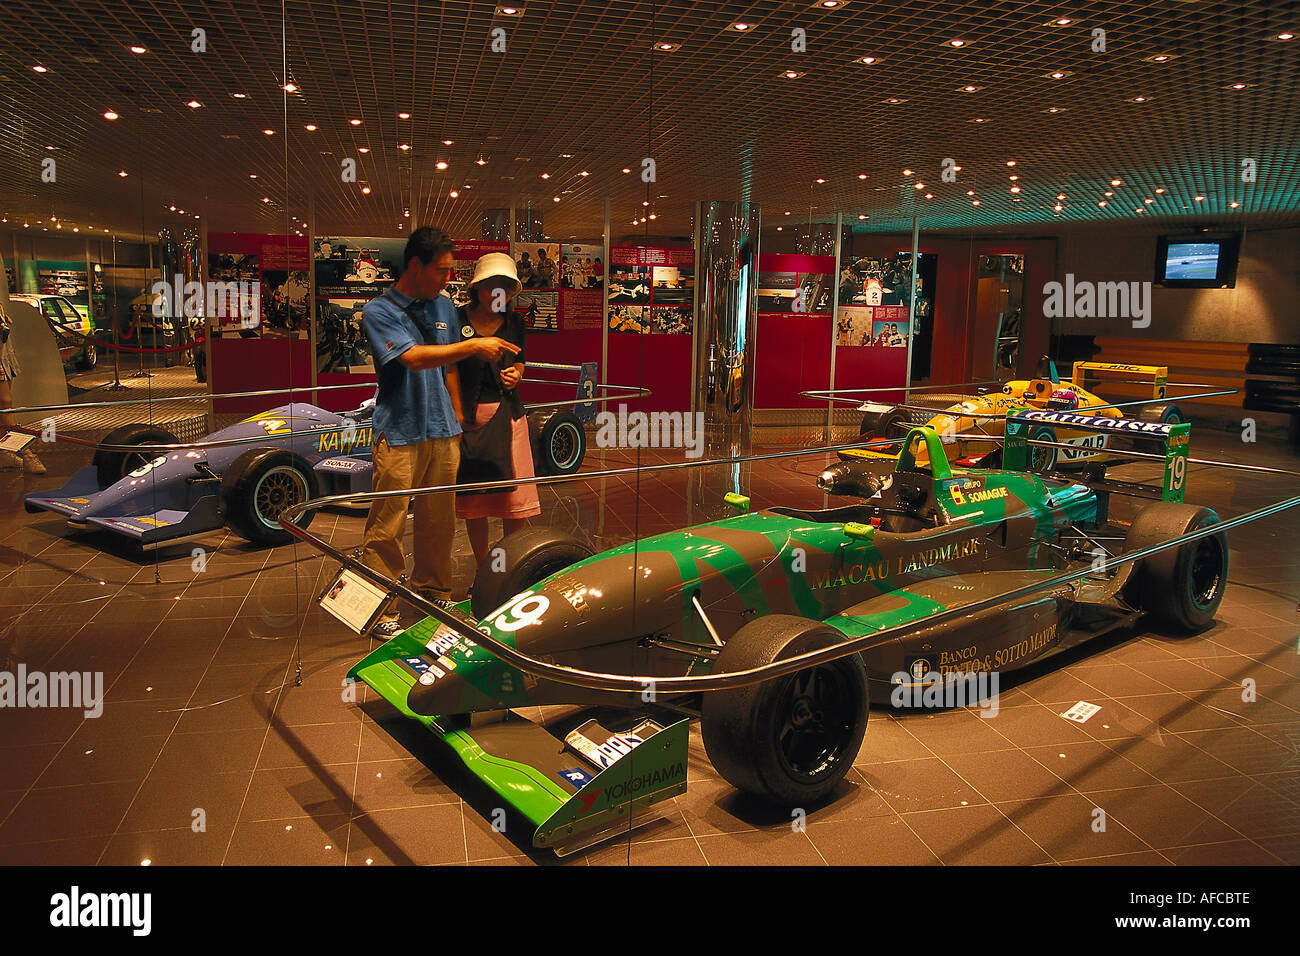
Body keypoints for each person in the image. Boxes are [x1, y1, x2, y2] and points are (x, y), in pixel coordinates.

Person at [360, 227, 519, 638]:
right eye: (442, 271)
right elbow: (412, 358)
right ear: (416, 265)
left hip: (442, 431)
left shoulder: (444, 306)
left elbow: (447, 369)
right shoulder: (379, 311)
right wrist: (473, 346)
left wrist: (458, 419)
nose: (448, 279)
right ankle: (382, 609)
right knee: (387, 525)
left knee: (438, 520)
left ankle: (432, 591)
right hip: (398, 432)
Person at [454, 253, 542, 563]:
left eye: (504, 287)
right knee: (475, 503)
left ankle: (507, 568)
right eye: (492, 286)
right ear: (476, 288)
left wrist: (517, 373)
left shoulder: (515, 322)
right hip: (470, 420)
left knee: (512, 502)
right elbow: (447, 366)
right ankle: (483, 567)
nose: (498, 294)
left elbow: (520, 360)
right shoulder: (458, 320)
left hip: (509, 419)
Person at [0, 300, 45, 474]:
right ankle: (25, 451)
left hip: (3, 350)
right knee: (5, 404)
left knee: (4, 406)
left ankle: (5, 452)